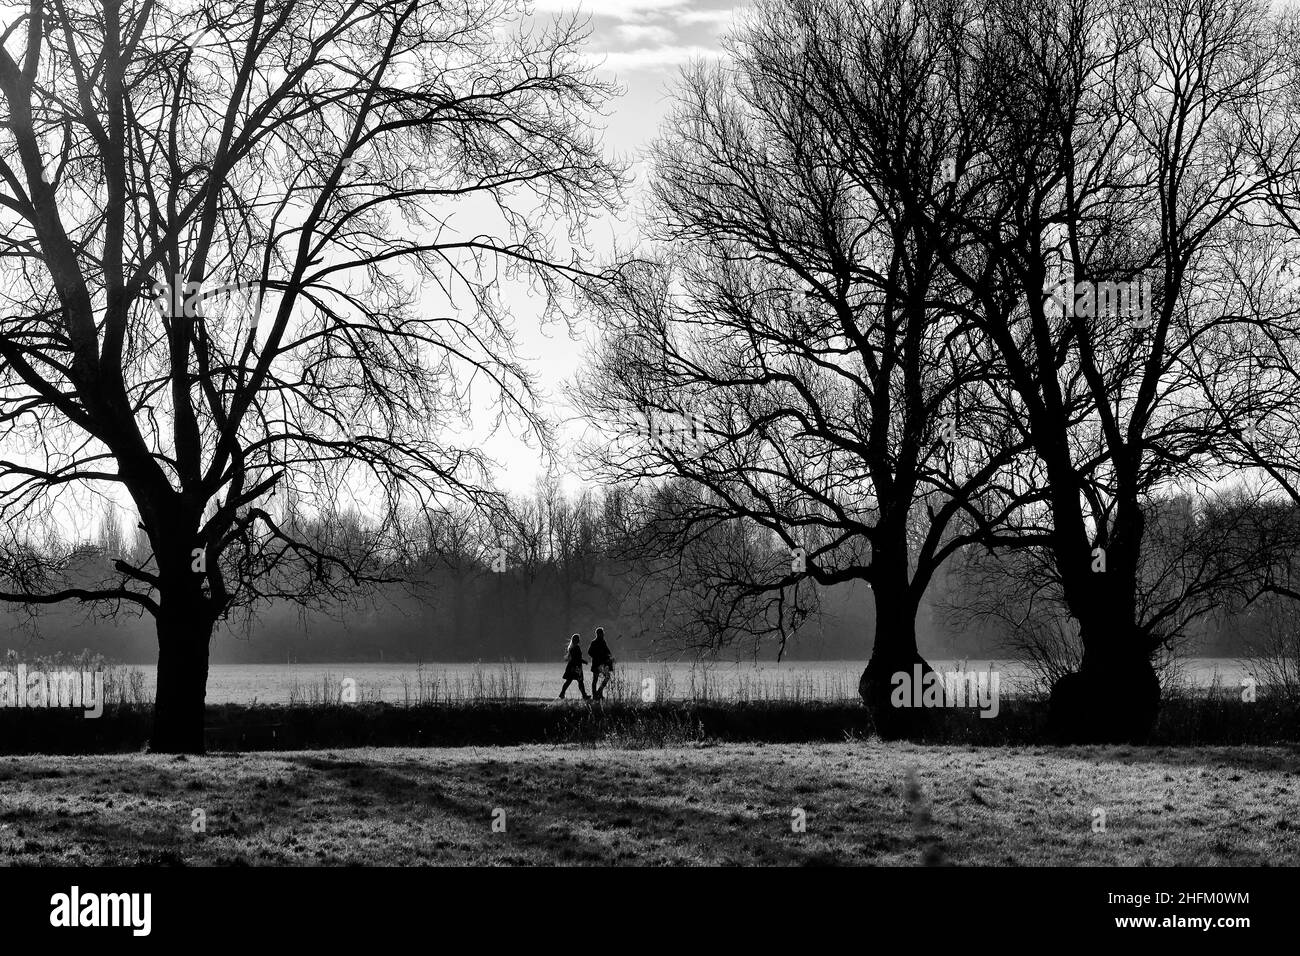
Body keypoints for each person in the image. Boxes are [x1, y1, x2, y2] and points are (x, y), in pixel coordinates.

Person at [588, 627, 615, 700]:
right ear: (598, 634)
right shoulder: (594, 642)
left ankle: (599, 693)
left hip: (602, 664)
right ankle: (595, 695)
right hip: (597, 664)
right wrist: (597, 657)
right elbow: (589, 652)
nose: (603, 634)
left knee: (607, 677)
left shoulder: (603, 642)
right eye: (602, 633)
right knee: (595, 679)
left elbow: (607, 651)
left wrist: (610, 657)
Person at [559, 633, 589, 700]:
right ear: (577, 640)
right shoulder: (576, 647)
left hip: (571, 666)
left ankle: (562, 693)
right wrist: (584, 661)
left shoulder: (571, 648)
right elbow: (577, 658)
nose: (579, 640)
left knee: (569, 681)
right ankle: (584, 695)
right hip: (577, 667)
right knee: (580, 681)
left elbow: (574, 658)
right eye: (578, 639)